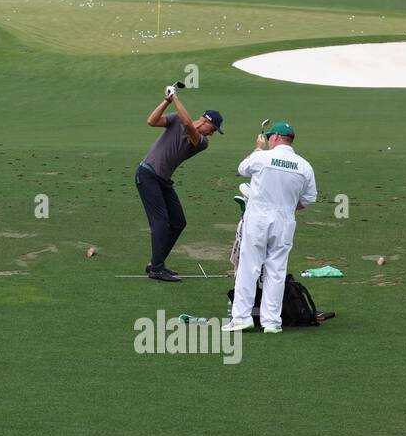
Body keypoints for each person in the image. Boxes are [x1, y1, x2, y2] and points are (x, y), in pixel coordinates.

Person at [224, 122, 317, 333]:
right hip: (285, 220)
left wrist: (258, 148)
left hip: (258, 218)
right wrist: (288, 208)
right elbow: (309, 199)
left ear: (274, 138)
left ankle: (241, 318)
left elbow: (242, 168)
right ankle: (272, 322)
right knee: (276, 270)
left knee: (249, 267)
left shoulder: (262, 157)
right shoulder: (304, 165)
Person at [135, 88, 224, 281]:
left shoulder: (201, 141)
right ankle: (157, 268)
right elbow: (151, 121)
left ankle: (156, 263)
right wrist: (168, 100)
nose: (212, 134)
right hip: (148, 174)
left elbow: (187, 124)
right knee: (160, 222)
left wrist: (175, 96)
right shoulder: (176, 118)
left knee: (178, 221)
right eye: (213, 129)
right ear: (206, 121)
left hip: (163, 180)